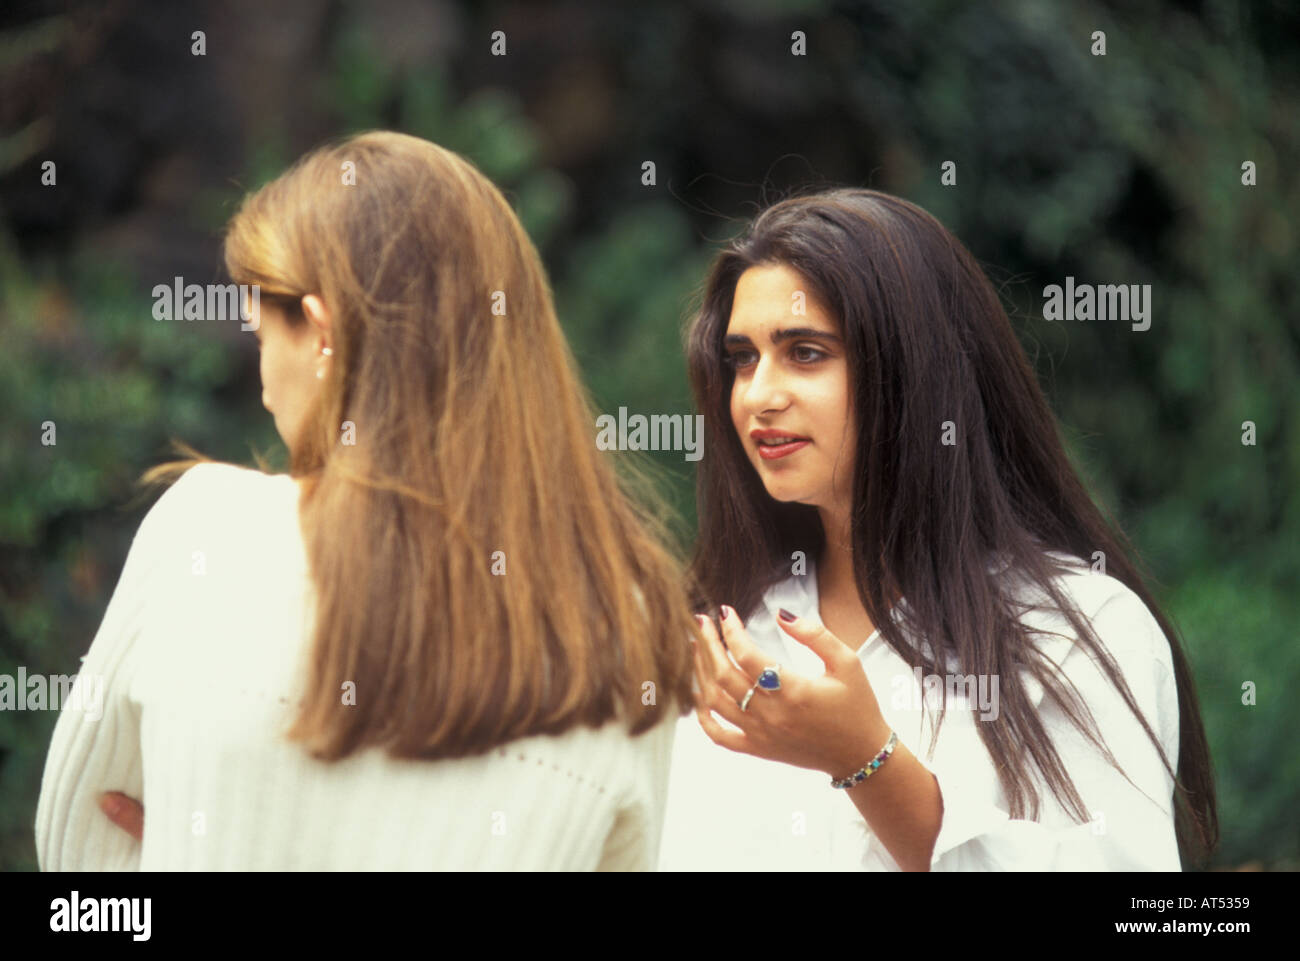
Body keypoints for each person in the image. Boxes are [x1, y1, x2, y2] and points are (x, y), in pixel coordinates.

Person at [35, 130, 697, 871]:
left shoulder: (207, 529)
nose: (261, 385)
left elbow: (79, 853)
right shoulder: (622, 621)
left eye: (261, 336)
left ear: (321, 330)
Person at [658, 188, 1219, 871]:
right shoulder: (723, 643)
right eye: (742, 358)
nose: (759, 393)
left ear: (911, 370)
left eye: (805, 352)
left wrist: (868, 761)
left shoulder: (1077, 630)